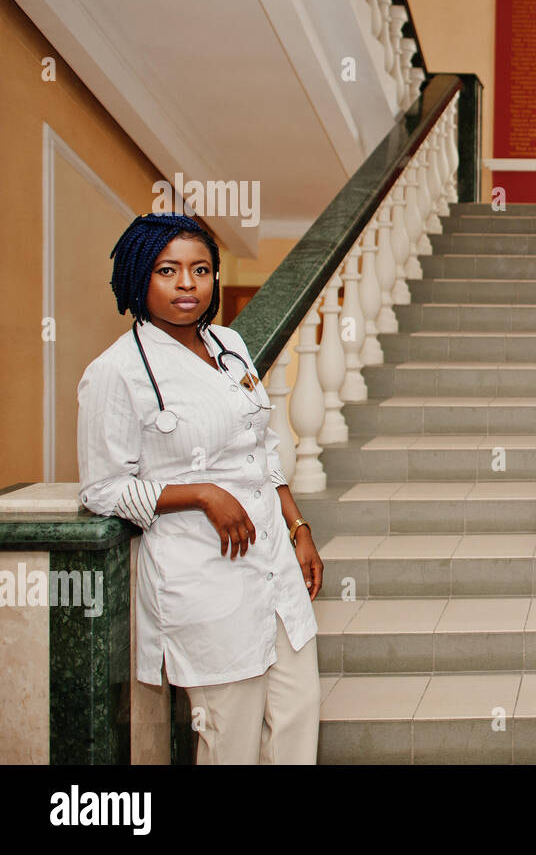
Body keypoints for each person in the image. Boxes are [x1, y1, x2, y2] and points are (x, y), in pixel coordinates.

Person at [76, 212, 323, 765]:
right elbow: (103, 488)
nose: (188, 284)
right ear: (139, 278)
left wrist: (297, 525)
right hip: (203, 574)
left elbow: (258, 449)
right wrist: (201, 494)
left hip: (273, 567)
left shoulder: (229, 344)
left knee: (297, 717)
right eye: (168, 270)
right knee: (228, 736)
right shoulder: (116, 373)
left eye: (201, 269)